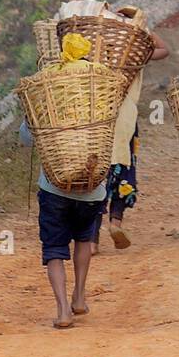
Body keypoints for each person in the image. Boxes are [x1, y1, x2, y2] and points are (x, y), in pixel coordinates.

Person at [19, 116, 106, 329]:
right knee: (84, 238)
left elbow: (26, 138)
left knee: (54, 248)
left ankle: (63, 309)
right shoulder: (98, 105)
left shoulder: (46, 104)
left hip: (54, 190)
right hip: (91, 192)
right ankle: (79, 297)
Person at [102, 20, 170, 250]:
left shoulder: (96, 53)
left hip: (97, 119)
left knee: (97, 173)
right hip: (125, 120)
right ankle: (116, 221)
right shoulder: (133, 53)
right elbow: (164, 50)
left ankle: (90, 239)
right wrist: (144, 30)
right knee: (124, 166)